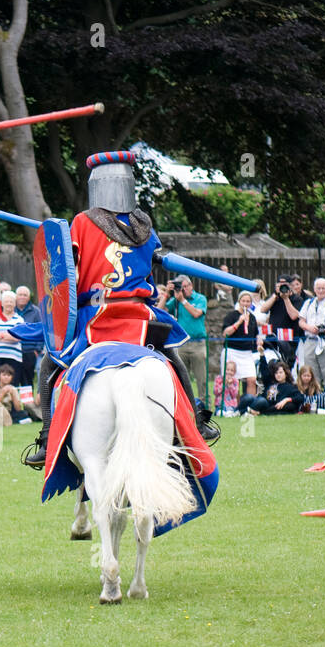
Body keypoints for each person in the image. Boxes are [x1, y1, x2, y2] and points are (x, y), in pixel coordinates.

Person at [23, 150, 218, 468]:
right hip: (141, 318)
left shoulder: (83, 222)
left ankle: (47, 440)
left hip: (96, 318)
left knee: (49, 364)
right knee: (171, 358)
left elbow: (64, 272)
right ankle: (196, 421)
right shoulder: (144, 225)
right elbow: (152, 265)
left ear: (95, 185)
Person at [165, 273, 208, 401]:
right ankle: (183, 406)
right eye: (180, 287)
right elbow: (161, 310)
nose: (183, 290)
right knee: (180, 377)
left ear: (191, 285)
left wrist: (183, 300)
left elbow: (196, 314)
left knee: (202, 378)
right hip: (181, 344)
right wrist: (167, 293)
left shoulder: (200, 298)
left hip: (197, 344)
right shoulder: (176, 300)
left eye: (185, 286)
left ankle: (204, 406)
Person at [0, 288, 26, 387]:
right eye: (6, 301)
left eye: (11, 301)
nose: (9, 304)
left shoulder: (19, 320)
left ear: (15, 304)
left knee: (13, 384)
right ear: (2, 303)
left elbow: (18, 337)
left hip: (13, 357)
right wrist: (8, 334)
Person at [222, 292, 260, 398]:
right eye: (243, 301)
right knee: (235, 380)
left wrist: (259, 340)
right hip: (232, 351)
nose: (245, 303)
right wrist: (239, 322)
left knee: (252, 379)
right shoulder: (231, 315)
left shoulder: (252, 317)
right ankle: (236, 406)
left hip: (247, 353)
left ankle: (249, 405)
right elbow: (225, 333)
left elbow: (256, 334)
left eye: (248, 301)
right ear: (239, 302)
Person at [238, 360, 303, 415]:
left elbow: (300, 397)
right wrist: (262, 354)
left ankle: (244, 411)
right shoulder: (271, 382)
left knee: (262, 401)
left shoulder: (289, 387)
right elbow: (264, 370)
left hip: (268, 404)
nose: (278, 375)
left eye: (280, 373)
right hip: (259, 400)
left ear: (286, 374)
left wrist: (286, 400)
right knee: (248, 397)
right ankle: (237, 411)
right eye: (276, 373)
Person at [15, 284, 43, 386]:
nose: (22, 297)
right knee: (14, 378)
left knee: (27, 380)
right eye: (20, 295)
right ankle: (13, 400)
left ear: (29, 297)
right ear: (16, 297)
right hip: (14, 350)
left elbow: (41, 331)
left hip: (30, 351)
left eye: (25, 295)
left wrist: (37, 349)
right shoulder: (11, 310)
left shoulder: (36, 312)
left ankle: (27, 401)